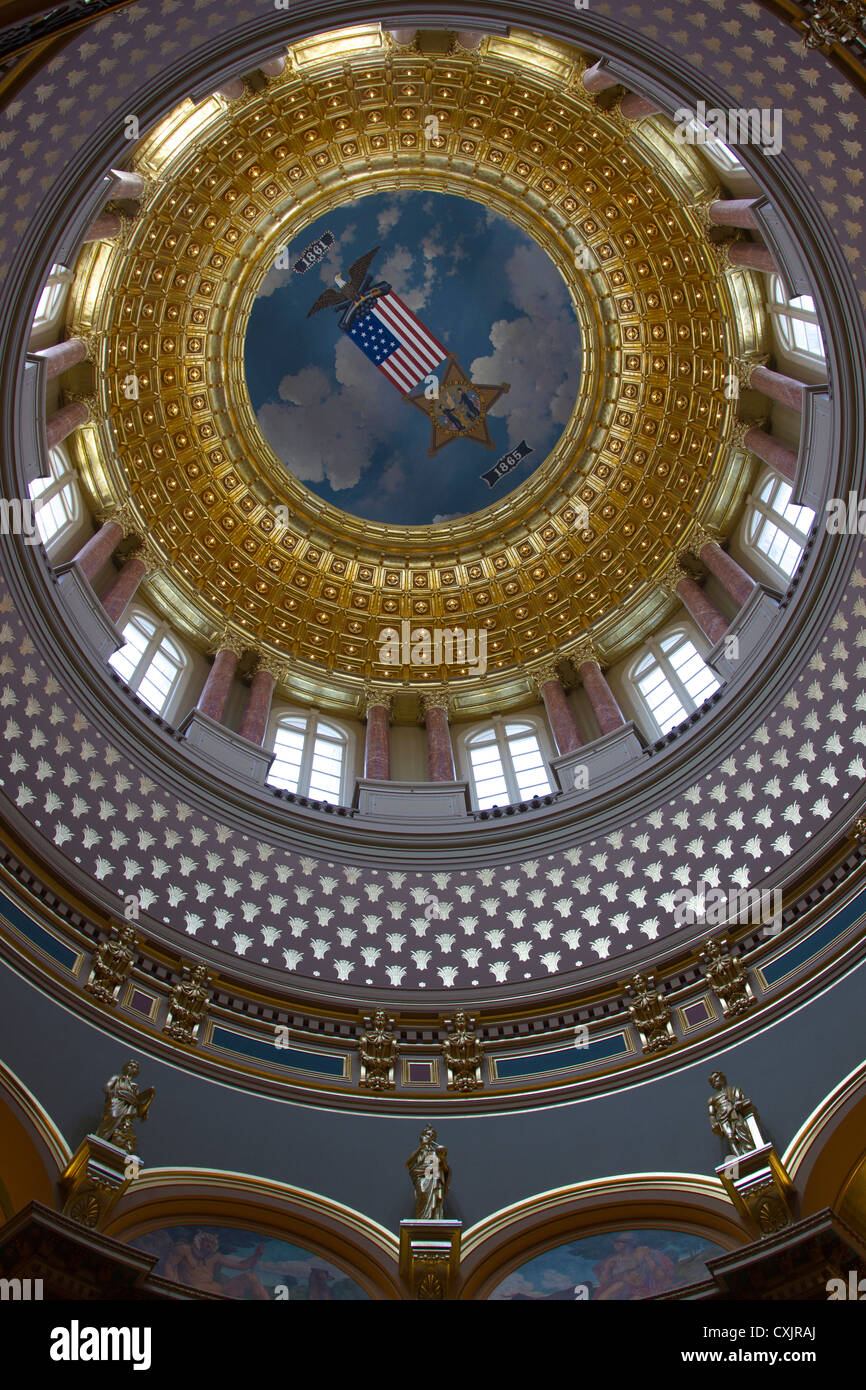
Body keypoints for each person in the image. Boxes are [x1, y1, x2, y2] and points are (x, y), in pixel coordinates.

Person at [406, 1125, 451, 1219]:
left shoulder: (436, 1153)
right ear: (422, 1137)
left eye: (432, 1135)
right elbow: (408, 1164)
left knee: (435, 1199)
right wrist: (421, 1148)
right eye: (427, 1135)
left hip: (434, 1179)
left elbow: (446, 1171)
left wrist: (442, 1159)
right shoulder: (419, 1152)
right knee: (422, 1193)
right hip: (422, 1177)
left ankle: (435, 1218)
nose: (429, 1137)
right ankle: (422, 1218)